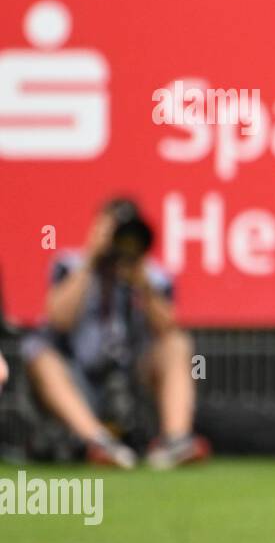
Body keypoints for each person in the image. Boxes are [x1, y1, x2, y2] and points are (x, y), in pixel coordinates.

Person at [21, 198, 209, 470]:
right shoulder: (70, 264)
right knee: (37, 351)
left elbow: (168, 328)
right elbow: (58, 319)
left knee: (178, 345)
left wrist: (140, 281)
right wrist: (90, 259)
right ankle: (98, 442)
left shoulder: (154, 275)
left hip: (133, 376)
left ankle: (176, 440)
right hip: (80, 375)